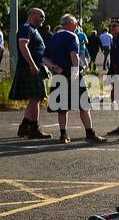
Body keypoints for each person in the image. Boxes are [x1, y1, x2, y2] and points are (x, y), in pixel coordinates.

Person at [41, 14, 106, 144]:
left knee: (62, 108)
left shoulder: (53, 38)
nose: (76, 25)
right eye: (75, 23)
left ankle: (63, 134)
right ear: (69, 24)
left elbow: (44, 59)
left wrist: (54, 67)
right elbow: (73, 55)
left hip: (58, 74)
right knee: (84, 105)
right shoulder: (72, 36)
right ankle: (89, 133)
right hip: (72, 74)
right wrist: (75, 72)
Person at [8, 8, 52, 140]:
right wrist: (32, 64)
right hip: (29, 68)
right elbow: (23, 46)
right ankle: (34, 129)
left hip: (35, 67)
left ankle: (24, 127)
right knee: (36, 97)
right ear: (32, 15)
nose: (43, 19)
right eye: (41, 16)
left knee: (35, 98)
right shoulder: (26, 28)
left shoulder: (33, 29)